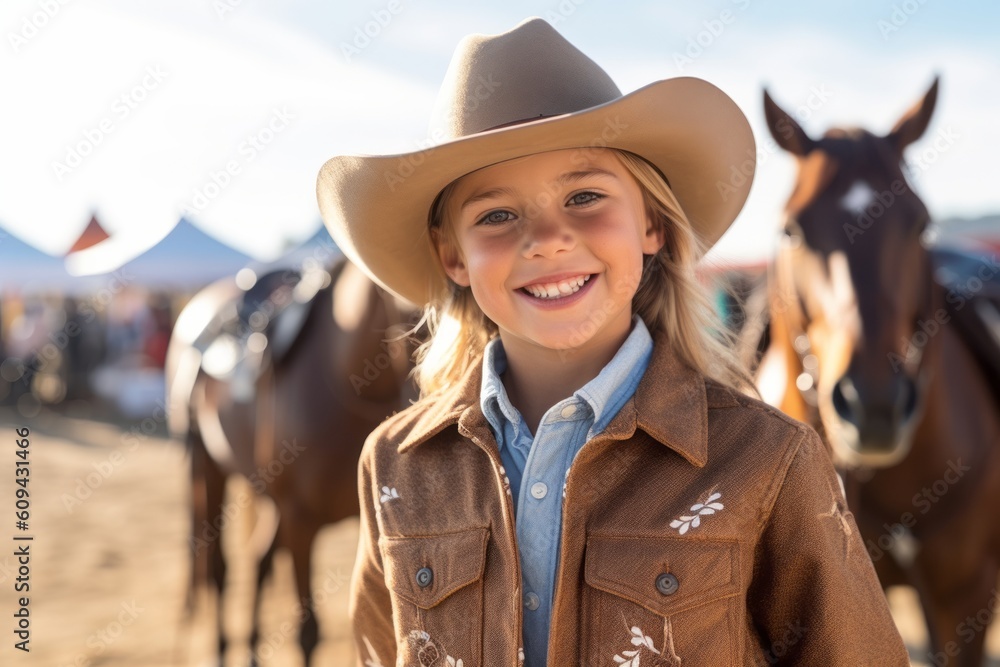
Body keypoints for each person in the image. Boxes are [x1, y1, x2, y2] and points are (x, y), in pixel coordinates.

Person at [317, 17, 910, 667]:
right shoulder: (395, 467)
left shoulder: (768, 459)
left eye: (585, 196)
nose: (547, 238)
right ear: (452, 255)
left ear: (651, 223)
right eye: (496, 214)